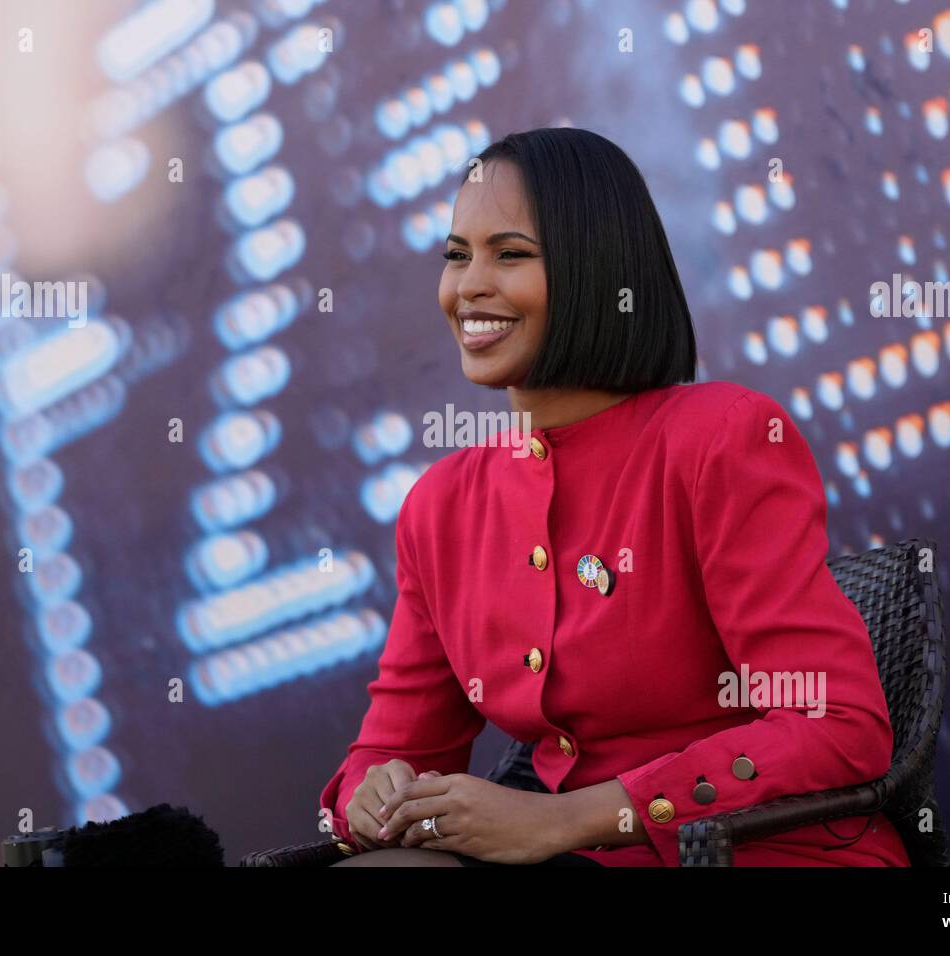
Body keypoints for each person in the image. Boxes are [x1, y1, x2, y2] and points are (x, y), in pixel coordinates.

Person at [321, 126, 910, 867]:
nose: (467, 285)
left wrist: (565, 821)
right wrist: (376, 794)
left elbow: (837, 725)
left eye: (509, 254)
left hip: (751, 851)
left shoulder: (719, 438)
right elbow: (392, 747)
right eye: (455, 256)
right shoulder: (439, 507)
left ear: (596, 270)